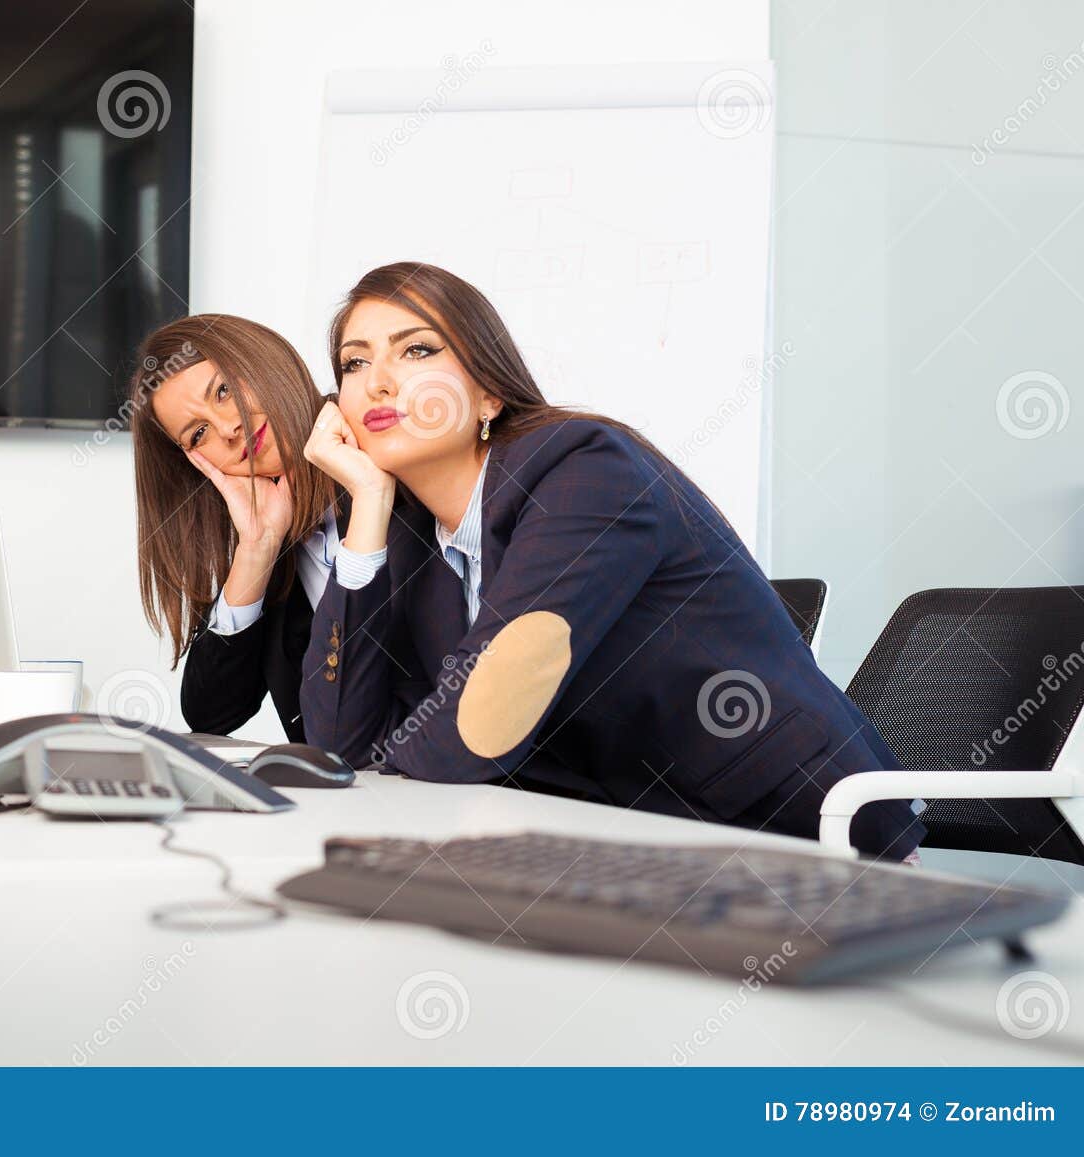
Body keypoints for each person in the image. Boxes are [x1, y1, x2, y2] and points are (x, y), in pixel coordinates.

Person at [300, 262, 923, 860]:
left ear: (489, 391)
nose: (378, 381)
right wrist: (370, 504)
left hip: (791, 831)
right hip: (616, 839)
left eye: (417, 351)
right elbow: (341, 749)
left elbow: (478, 731)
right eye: (355, 363)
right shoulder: (412, 535)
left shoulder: (584, 471)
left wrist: (409, 752)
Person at [131, 315, 339, 740]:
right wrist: (257, 549)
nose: (229, 428)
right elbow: (211, 714)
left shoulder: (390, 447)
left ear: (261, 358)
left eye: (224, 391)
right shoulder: (277, 538)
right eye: (199, 433)